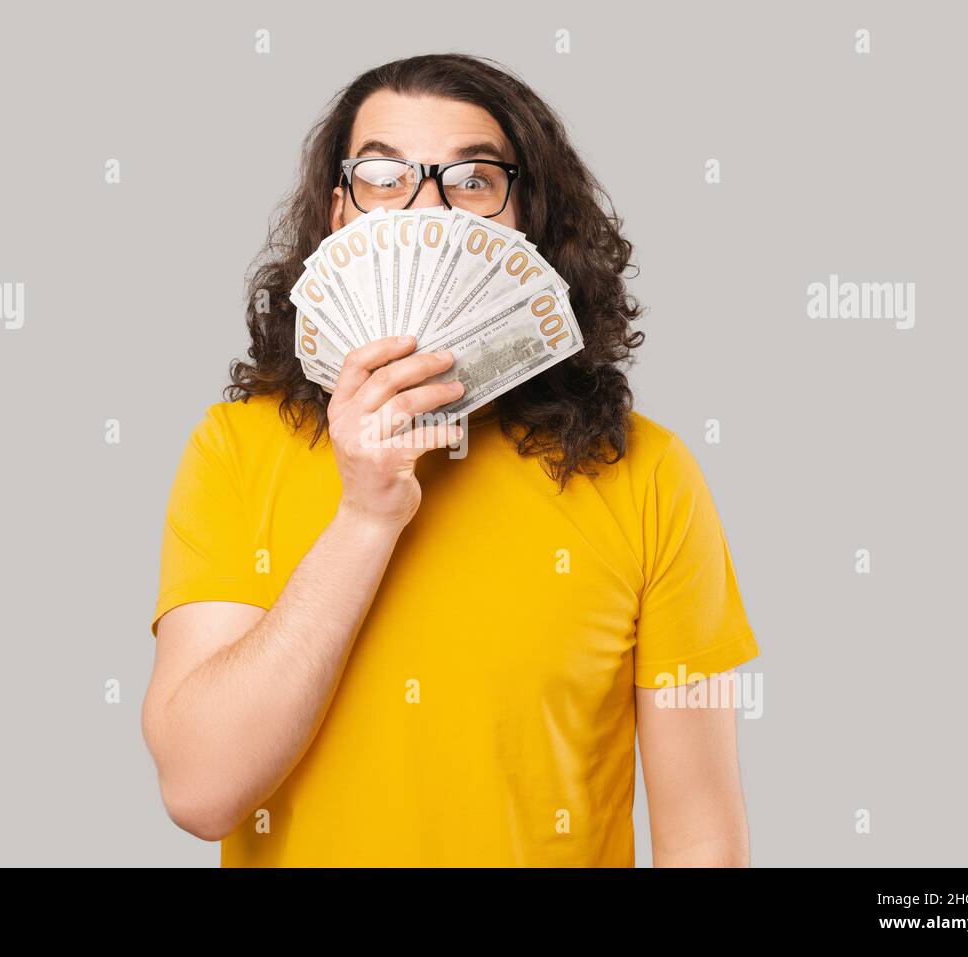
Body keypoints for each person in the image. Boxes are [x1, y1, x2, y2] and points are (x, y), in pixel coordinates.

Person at [142, 53, 760, 867]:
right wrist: (366, 515)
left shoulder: (648, 474)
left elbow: (702, 837)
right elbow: (201, 787)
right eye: (383, 176)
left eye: (472, 180)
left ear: (526, 221)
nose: (423, 210)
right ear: (340, 214)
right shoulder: (236, 449)